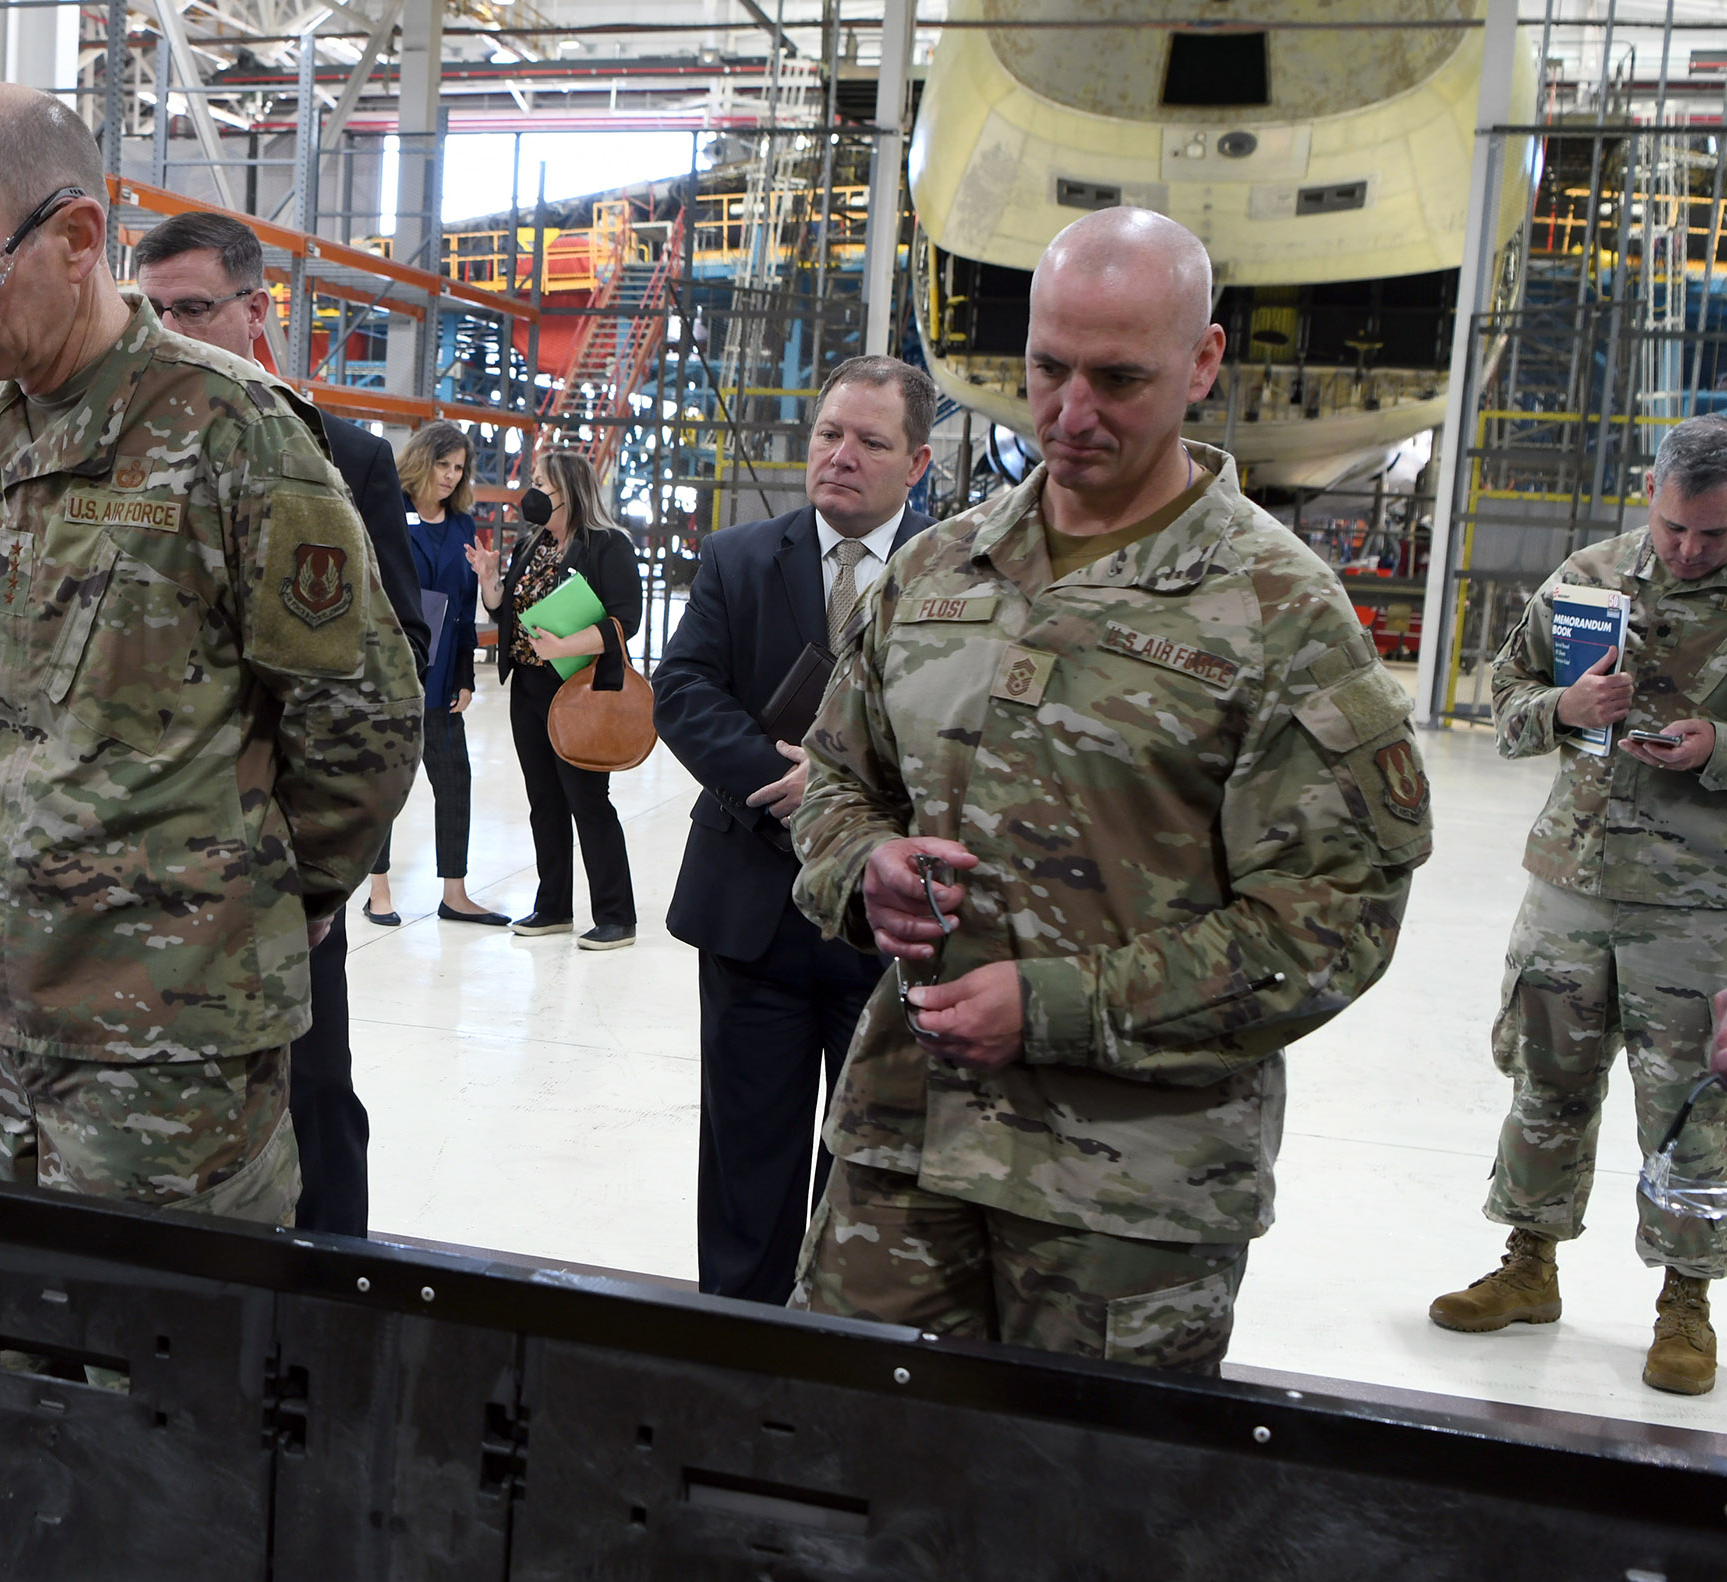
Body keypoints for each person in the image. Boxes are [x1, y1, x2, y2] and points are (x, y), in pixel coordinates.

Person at [787, 206, 1431, 1372]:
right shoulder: (940, 568)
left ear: (1203, 363)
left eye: (1119, 377)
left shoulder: (1281, 615)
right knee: (852, 1487)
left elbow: (1334, 919)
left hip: (1129, 1200)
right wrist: (858, 869)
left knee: (1089, 1529)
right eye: (1048, 368)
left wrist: (1060, 1006)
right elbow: (838, 776)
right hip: (903, 1145)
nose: (1071, 413)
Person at [0, 83, 420, 1224]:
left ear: (75, 239)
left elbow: (361, 719)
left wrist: (269, 901)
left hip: (172, 1046)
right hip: (7, 1016)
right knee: (15, 1346)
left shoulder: (232, 429)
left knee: (168, 1363)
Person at [128, 209, 427, 1239]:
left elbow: (387, 682)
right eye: (150, 310)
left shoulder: (339, 456)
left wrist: (320, 878)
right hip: (122, 877)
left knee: (307, 1097)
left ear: (257, 313)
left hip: (270, 874)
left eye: (193, 309)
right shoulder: (113, 461)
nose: (167, 331)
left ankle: (330, 1315)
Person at [1428, 416, 1727, 1396]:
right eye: (1678, 526)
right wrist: (1564, 710)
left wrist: (1714, 749)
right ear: (1651, 492)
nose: (1689, 550)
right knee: (1546, 1076)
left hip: (1695, 906)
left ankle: (1686, 1303)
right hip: (1572, 884)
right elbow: (1502, 693)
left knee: (1689, 1100)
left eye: (1714, 537)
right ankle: (1529, 1266)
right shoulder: (1591, 577)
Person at [659, 357, 934, 1302]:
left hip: (888, 925)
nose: (841, 457)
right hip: (753, 915)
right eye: (828, 435)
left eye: (870, 441)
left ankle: (841, 1354)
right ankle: (734, 1354)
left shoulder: (961, 576)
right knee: (747, 1165)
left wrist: (848, 782)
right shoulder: (738, 560)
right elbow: (684, 692)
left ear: (919, 462)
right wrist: (785, 777)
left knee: (872, 1172)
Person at [477, 447, 641, 949]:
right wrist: (490, 584)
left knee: (588, 801)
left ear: (568, 491)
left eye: (541, 483)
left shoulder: (607, 545)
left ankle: (616, 915)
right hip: (528, 687)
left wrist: (565, 646)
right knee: (543, 801)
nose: (533, 492)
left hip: (580, 692)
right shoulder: (531, 545)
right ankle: (552, 907)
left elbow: (622, 621)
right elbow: (506, 611)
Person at [366, 420, 503, 928]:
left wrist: (466, 673)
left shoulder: (464, 525)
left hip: (442, 673)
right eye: (443, 464)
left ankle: (455, 892)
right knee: (385, 785)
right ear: (423, 459)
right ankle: (377, 891)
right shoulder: (387, 512)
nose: (449, 477)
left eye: (458, 469)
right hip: (390, 671)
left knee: (454, 782)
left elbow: (468, 606)